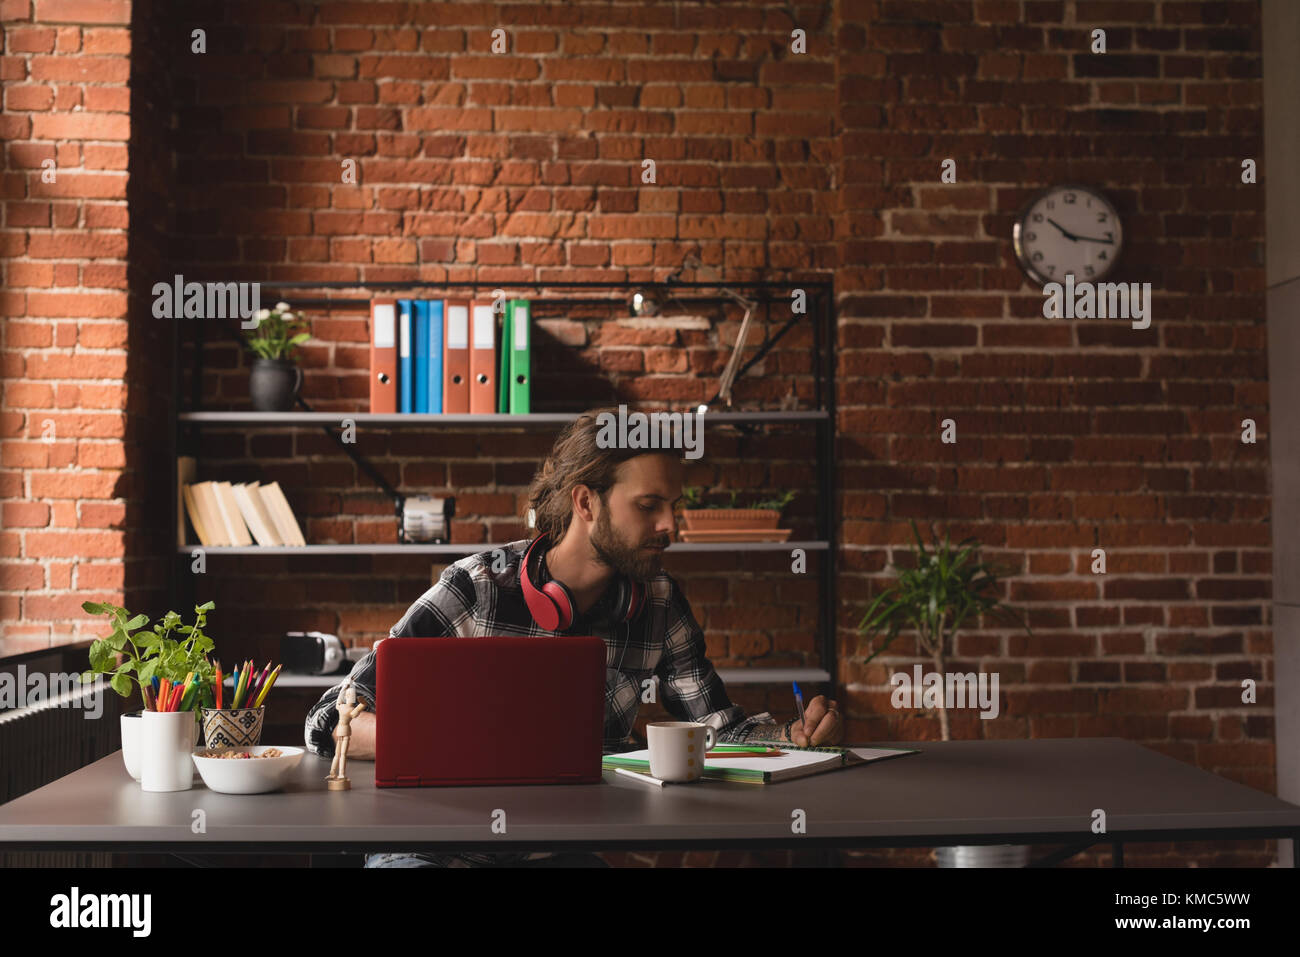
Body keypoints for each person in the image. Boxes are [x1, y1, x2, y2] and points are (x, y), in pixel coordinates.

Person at [304, 407, 842, 867]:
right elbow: (331, 718)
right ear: (586, 503)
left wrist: (794, 736)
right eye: (649, 505)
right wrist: (470, 745)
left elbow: (721, 730)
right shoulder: (477, 587)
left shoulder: (658, 602)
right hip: (428, 844)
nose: (671, 526)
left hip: (555, 850)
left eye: (674, 506)